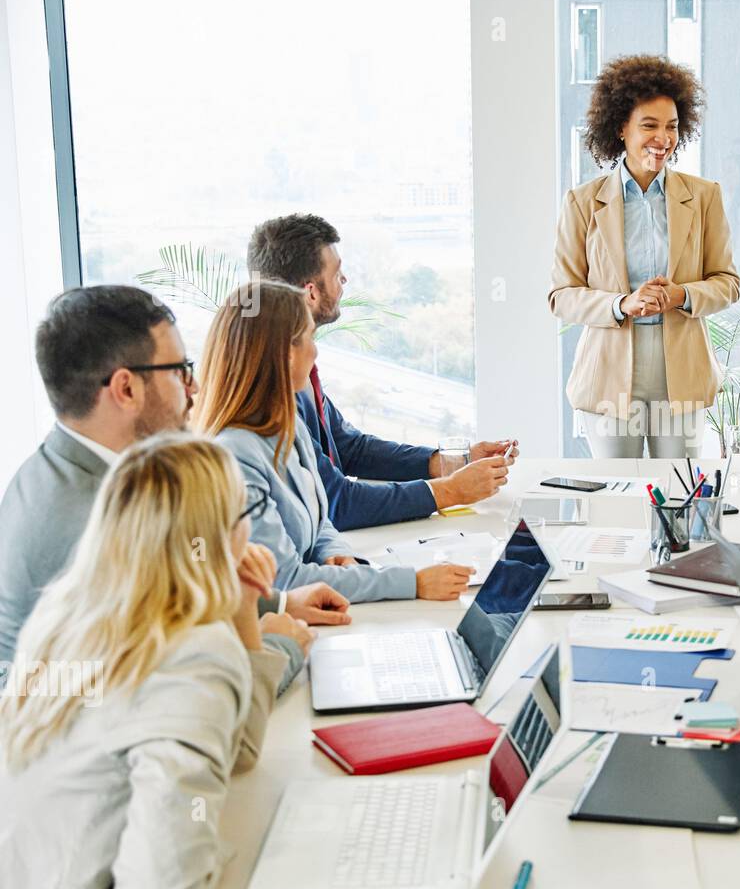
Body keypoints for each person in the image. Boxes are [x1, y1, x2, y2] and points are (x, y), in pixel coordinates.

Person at [0, 433, 289, 889]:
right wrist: (210, 838)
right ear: (215, 536)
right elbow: (164, 888)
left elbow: (233, 752)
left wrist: (243, 608)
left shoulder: (72, 614)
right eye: (245, 513)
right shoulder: (191, 654)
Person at [0, 286, 345, 689]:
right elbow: (173, 691)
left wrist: (279, 602)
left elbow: (186, 586)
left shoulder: (100, 471)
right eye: (180, 370)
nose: (194, 387)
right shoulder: (86, 520)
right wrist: (276, 651)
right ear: (126, 389)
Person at [198, 281, 473, 603]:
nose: (315, 352)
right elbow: (285, 581)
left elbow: (320, 521)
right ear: (284, 354)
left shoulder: (288, 426)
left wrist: (335, 552)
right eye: (309, 338)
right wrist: (412, 583)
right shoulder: (235, 457)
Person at [247, 213, 516, 531]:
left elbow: (349, 448)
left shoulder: (294, 366)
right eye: (336, 272)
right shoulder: (272, 385)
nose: (344, 280)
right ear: (311, 293)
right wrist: (451, 491)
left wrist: (445, 463)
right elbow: (336, 502)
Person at [549, 54, 740, 458]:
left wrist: (681, 296)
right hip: (608, 372)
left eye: (672, 126)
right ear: (621, 127)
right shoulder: (583, 202)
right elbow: (562, 295)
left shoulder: (704, 196)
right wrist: (622, 303)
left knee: (679, 487)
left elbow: (727, 283)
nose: (663, 138)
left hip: (682, 372)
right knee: (618, 490)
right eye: (649, 125)